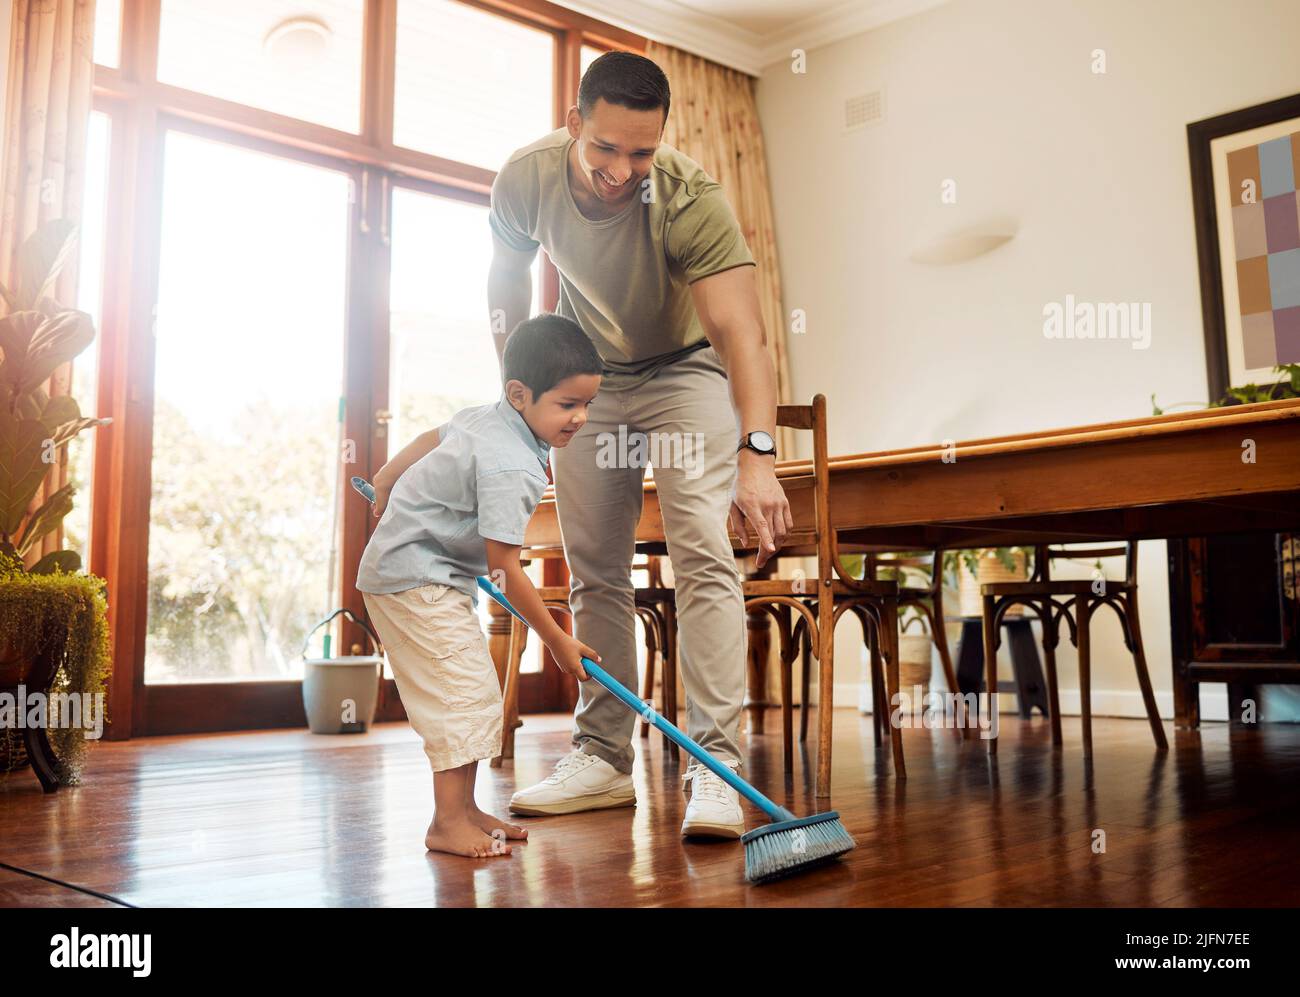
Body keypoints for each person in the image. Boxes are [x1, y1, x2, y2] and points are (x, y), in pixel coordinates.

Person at [486, 52, 793, 839]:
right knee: (594, 565)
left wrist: (756, 452)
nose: (623, 170)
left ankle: (715, 769)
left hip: (683, 369)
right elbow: (508, 286)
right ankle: (602, 758)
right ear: (574, 123)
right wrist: (520, 396)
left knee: (702, 551)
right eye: (606, 149)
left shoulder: (688, 197)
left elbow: (740, 333)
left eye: (642, 153)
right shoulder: (526, 179)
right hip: (588, 372)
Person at [357, 314, 603, 858]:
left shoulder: (487, 418)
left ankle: (465, 810)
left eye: (588, 404)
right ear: (520, 394)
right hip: (413, 580)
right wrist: (558, 640)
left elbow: (431, 437)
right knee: (460, 695)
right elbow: (505, 568)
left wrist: (385, 478)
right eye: (567, 405)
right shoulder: (510, 465)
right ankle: (446, 822)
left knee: (472, 691)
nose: (581, 418)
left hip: (425, 574)